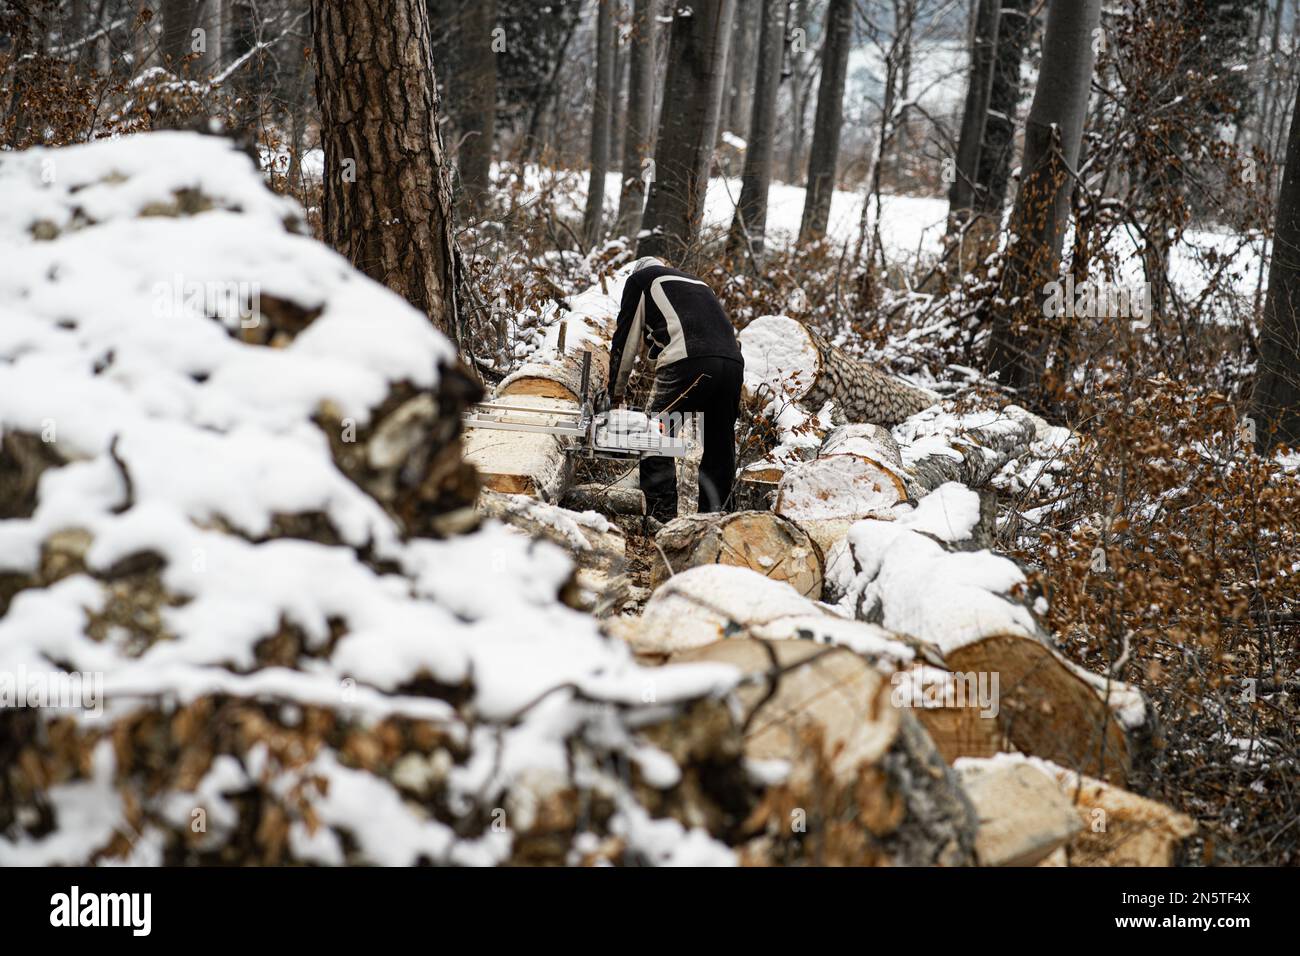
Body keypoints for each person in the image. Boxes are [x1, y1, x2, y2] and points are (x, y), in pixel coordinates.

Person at [607, 256, 744, 521]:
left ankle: (662, 520)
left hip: (686, 364)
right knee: (720, 445)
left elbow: (624, 344)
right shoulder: (698, 284)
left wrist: (615, 395)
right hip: (732, 364)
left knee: (656, 436)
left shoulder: (640, 281)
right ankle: (716, 520)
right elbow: (694, 327)